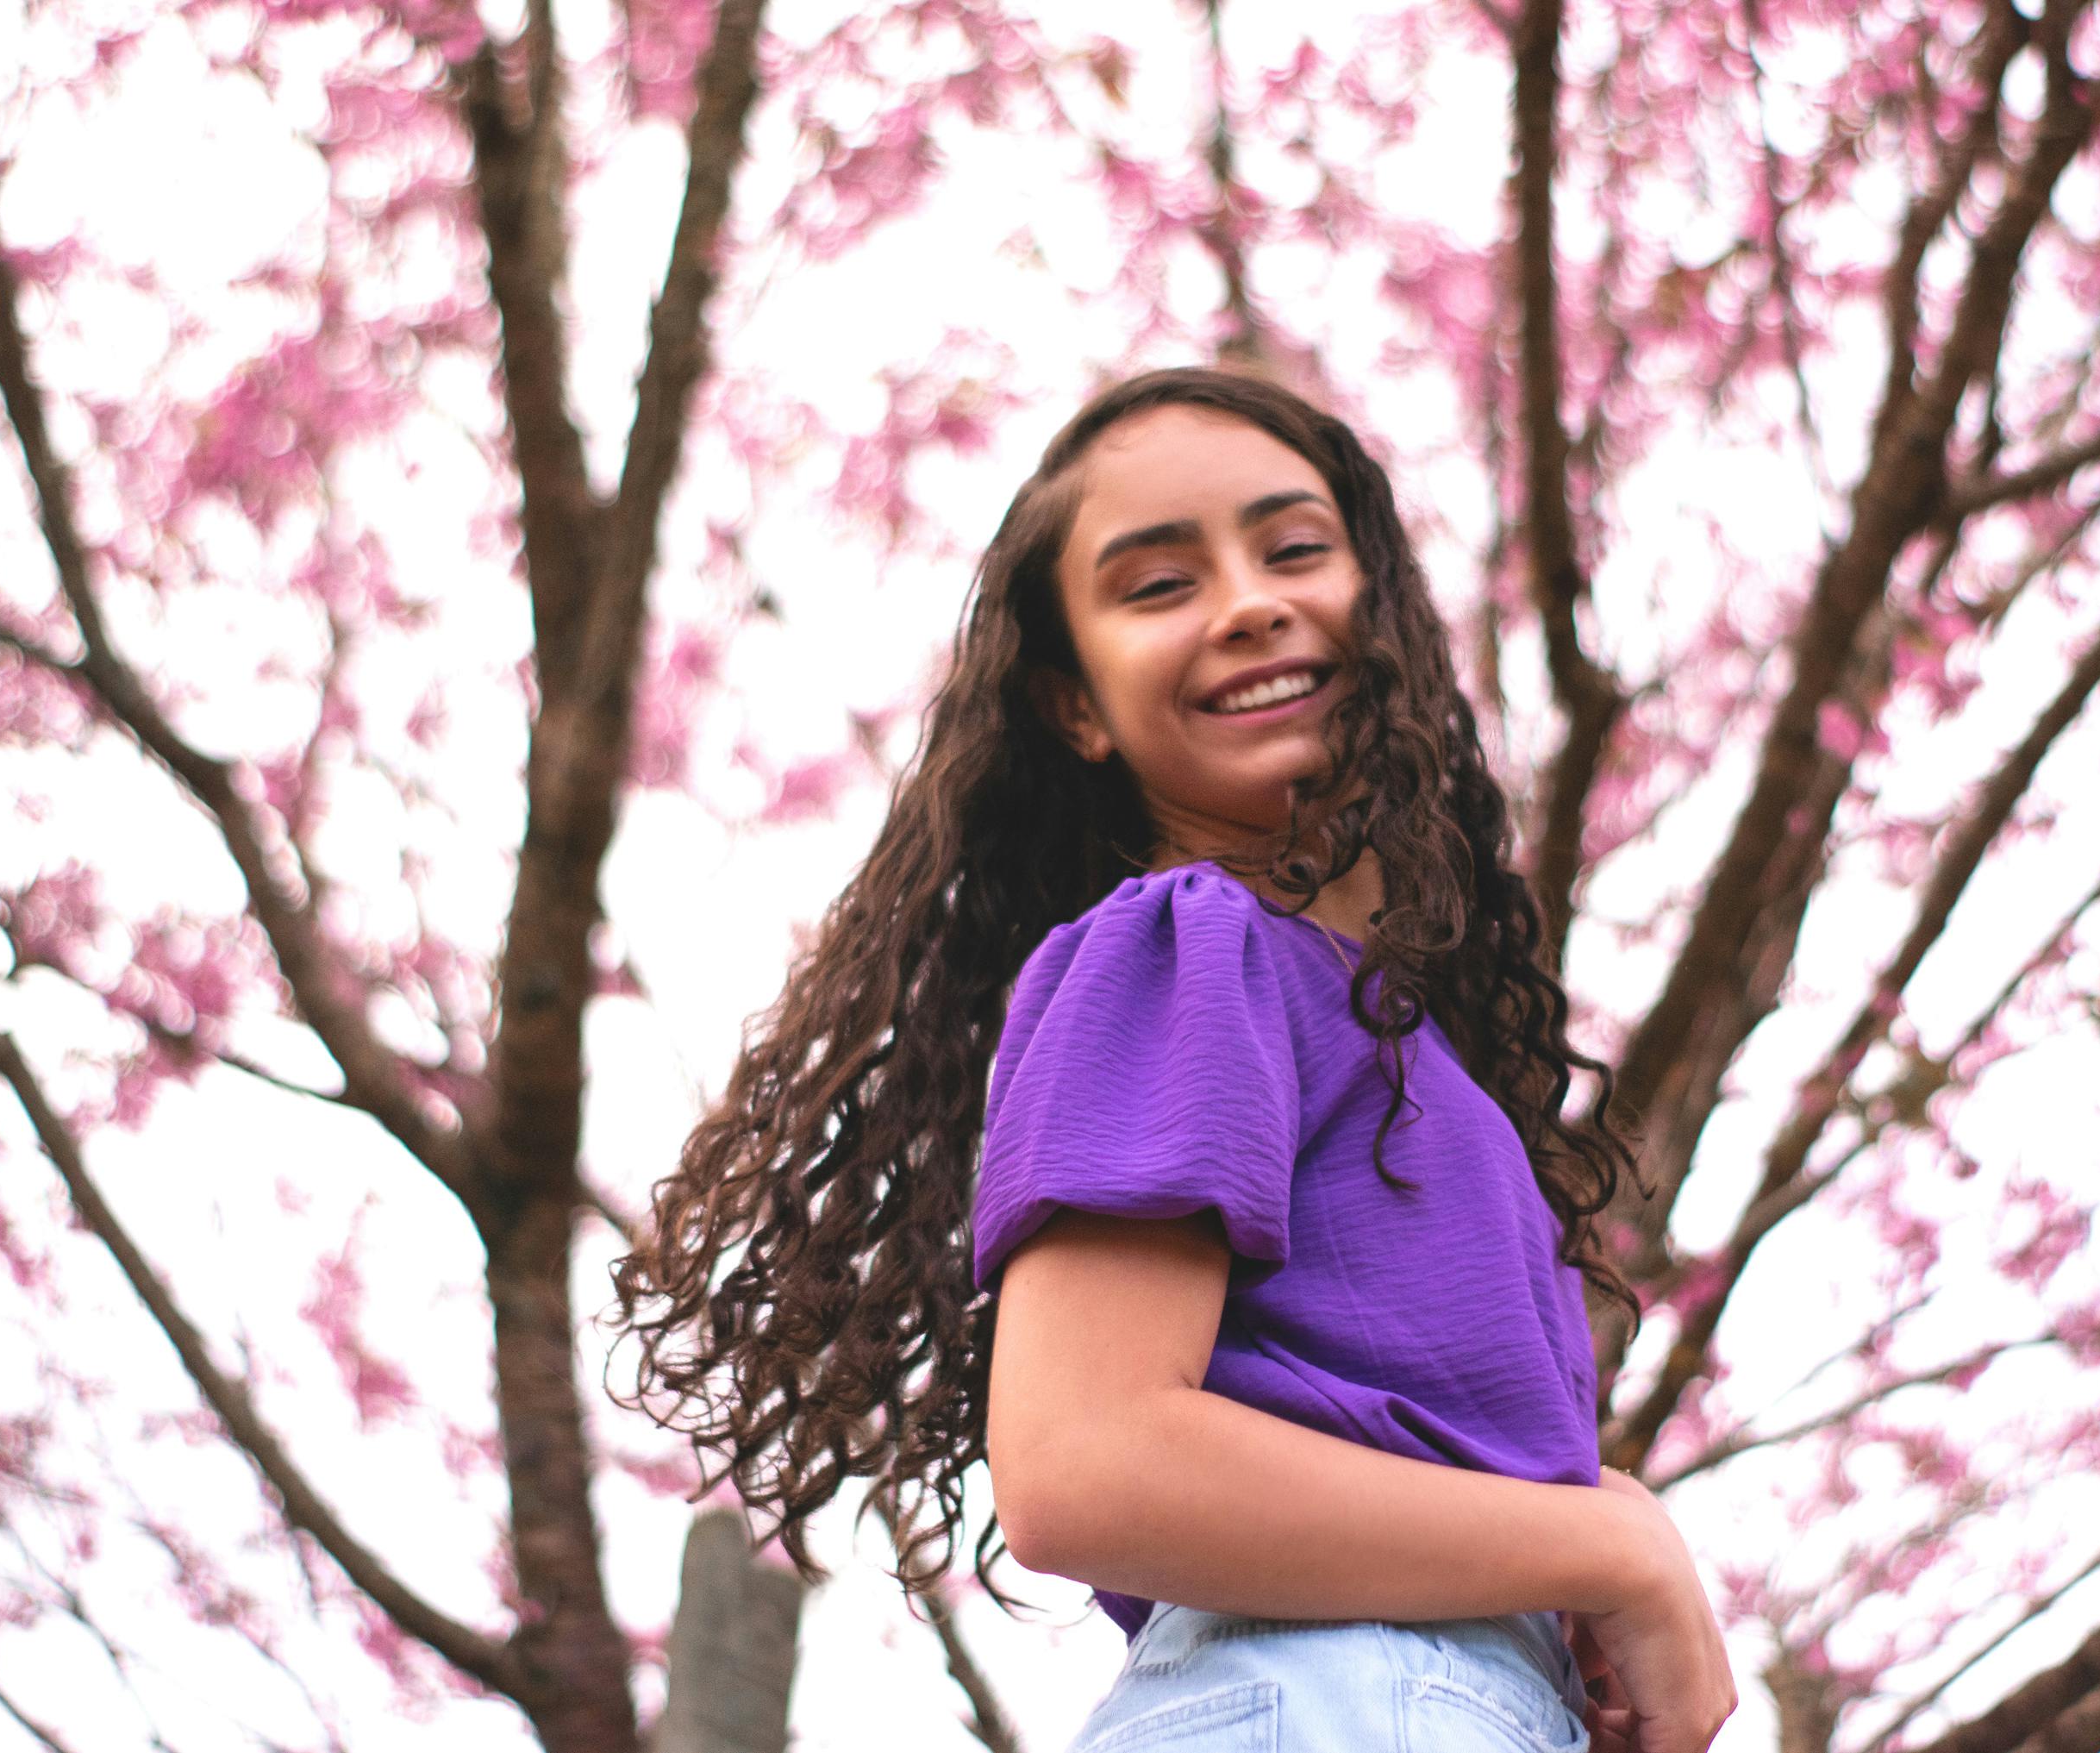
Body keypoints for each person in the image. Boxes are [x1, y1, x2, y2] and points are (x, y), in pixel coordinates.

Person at [612, 365, 1737, 1751]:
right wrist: (1609, 1552)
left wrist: (1599, 1525)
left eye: (1294, 548)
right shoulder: (1191, 948)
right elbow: (1087, 1464)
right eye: (1156, 585)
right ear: (1075, 708)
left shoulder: (1391, 1043)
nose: (1247, 600)